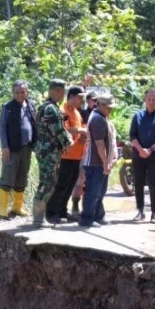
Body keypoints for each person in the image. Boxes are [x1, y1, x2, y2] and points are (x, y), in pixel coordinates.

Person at [31, 79, 74, 227]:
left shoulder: (48, 107)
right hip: (48, 152)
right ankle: (38, 218)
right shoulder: (50, 109)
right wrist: (69, 143)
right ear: (54, 91)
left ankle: (39, 217)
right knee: (47, 183)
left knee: (48, 182)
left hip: (47, 150)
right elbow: (59, 130)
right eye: (61, 92)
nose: (62, 95)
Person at [128, 87, 155, 223]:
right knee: (138, 183)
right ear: (145, 100)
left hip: (154, 156)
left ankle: (154, 213)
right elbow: (132, 136)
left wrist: (150, 150)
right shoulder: (138, 116)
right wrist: (141, 150)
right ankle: (140, 211)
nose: (152, 102)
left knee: (153, 183)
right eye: (149, 99)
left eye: (154, 99)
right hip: (138, 155)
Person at [46, 86, 87, 224]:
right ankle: (51, 213)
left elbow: (79, 130)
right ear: (71, 97)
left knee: (70, 186)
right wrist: (82, 131)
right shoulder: (63, 111)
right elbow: (65, 129)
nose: (81, 100)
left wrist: (82, 134)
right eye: (79, 97)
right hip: (65, 155)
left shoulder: (77, 112)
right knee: (60, 185)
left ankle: (62, 211)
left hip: (76, 155)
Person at [0, 80, 37, 219]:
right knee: (8, 177)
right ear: (13, 93)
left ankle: (17, 207)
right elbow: (2, 129)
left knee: (22, 178)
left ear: (27, 92)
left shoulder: (31, 106)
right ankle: (3, 209)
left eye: (23, 92)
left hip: (27, 148)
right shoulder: (7, 107)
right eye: (17, 92)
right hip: (12, 149)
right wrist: (4, 147)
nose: (20, 95)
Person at [80, 93, 117, 228]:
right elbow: (100, 144)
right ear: (101, 105)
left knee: (100, 191)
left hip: (99, 162)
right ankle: (87, 218)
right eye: (108, 107)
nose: (110, 110)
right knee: (93, 191)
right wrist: (105, 162)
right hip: (95, 163)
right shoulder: (98, 120)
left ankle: (98, 215)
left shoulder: (101, 117)